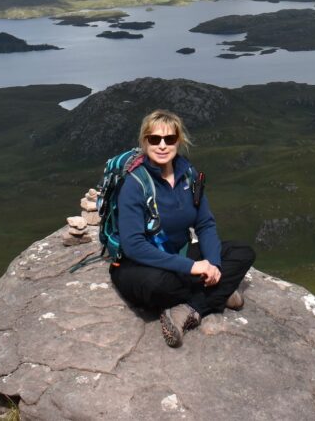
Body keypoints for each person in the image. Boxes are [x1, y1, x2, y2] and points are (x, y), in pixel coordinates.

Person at [109, 108, 255, 347]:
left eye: (170, 139)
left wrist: (214, 265)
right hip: (138, 266)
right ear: (145, 142)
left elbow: (205, 223)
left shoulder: (188, 175)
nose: (162, 145)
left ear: (179, 141)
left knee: (243, 253)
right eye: (154, 139)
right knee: (158, 287)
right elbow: (134, 246)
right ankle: (219, 293)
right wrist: (194, 267)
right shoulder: (135, 184)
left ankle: (189, 308)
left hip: (177, 255)